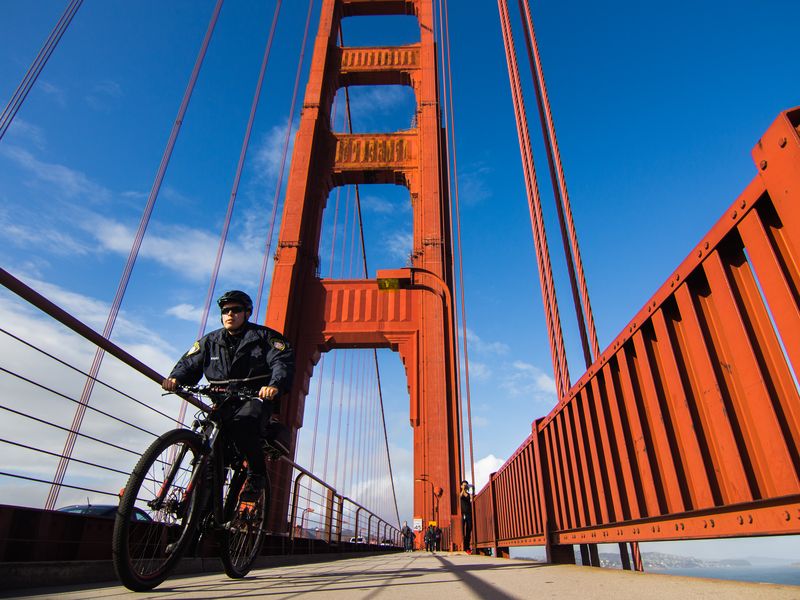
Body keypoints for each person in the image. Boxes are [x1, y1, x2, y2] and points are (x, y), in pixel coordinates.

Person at [162, 290, 294, 502]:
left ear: (247, 313)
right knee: (211, 449)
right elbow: (189, 363)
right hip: (222, 402)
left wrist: (274, 385)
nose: (229, 314)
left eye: (236, 310)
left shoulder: (267, 338)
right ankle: (203, 513)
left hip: (255, 399)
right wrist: (175, 379)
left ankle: (256, 474)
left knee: (244, 425)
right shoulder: (210, 341)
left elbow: (282, 362)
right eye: (225, 311)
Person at [460, 480, 473, 554]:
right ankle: (464, 546)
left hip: (468, 514)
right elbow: (460, 496)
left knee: (469, 529)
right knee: (462, 531)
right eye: (463, 485)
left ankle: (467, 546)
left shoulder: (469, 495)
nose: (465, 486)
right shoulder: (461, 494)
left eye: (466, 485)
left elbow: (471, 499)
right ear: (461, 486)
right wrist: (463, 490)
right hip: (462, 514)